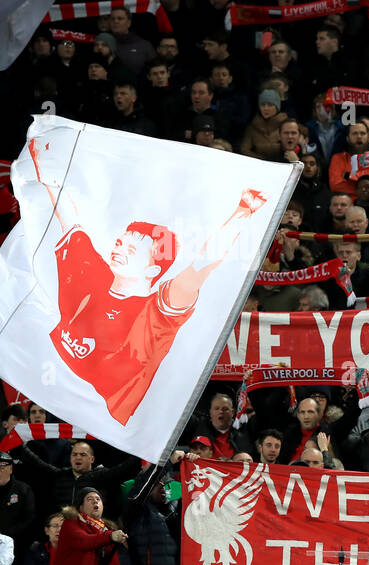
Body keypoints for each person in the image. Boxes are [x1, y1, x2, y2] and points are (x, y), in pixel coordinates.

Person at [30, 138, 267, 423]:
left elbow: (201, 267)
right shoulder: (94, 272)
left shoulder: (156, 316)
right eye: (119, 242)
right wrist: (46, 167)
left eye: (131, 250)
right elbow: (69, 217)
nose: (117, 248)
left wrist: (242, 211)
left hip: (98, 421)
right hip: (42, 389)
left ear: (152, 271)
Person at [42, 487, 127, 565]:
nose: (95, 501)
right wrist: (110, 537)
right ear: (80, 507)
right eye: (89, 499)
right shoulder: (70, 524)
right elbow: (84, 541)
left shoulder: (106, 531)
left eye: (98, 499)